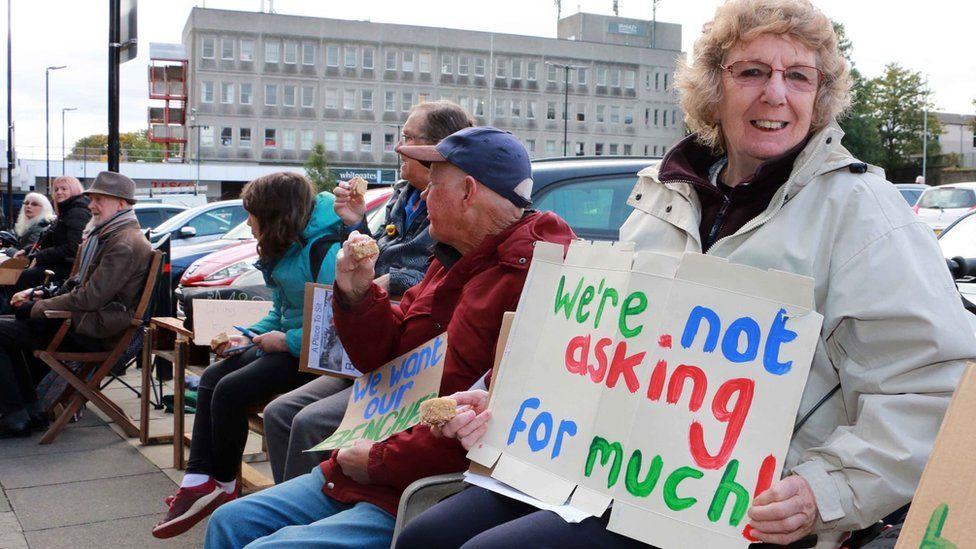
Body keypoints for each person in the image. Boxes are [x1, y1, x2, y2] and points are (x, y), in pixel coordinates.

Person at [396, 1, 976, 548]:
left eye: (800, 76)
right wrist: (499, 403)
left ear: (820, 95)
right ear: (713, 86)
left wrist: (826, 491)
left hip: (734, 507)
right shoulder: (663, 196)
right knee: (426, 536)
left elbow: (932, 387)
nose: (776, 93)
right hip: (610, 464)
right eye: (751, 71)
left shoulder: (862, 212)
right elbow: (600, 346)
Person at [204, 127, 576, 549]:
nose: (422, 200)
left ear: (469, 192)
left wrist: (376, 461)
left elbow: (493, 419)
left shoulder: (541, 277)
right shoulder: (454, 260)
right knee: (230, 522)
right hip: (375, 467)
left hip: (425, 490)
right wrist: (358, 294)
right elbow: (383, 358)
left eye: (433, 185)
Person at [263, 100, 475, 484]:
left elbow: (439, 276)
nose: (398, 147)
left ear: (436, 149)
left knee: (308, 421)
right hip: (373, 343)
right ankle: (292, 508)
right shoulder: (404, 196)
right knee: (280, 412)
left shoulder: (457, 211)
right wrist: (356, 223)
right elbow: (375, 256)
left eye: (408, 138)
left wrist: (389, 281)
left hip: (410, 360)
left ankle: (312, 517)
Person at [152, 172, 345, 539]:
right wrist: (249, 336)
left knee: (230, 390)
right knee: (210, 378)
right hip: (288, 343)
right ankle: (199, 479)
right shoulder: (285, 247)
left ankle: (224, 484)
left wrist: (284, 341)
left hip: (313, 354)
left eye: (252, 213)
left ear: (274, 214)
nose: (248, 222)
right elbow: (280, 310)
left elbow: (333, 326)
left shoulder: (324, 251)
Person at [0, 172, 150, 438]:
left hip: (91, 330)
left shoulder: (122, 242)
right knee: (8, 327)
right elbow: (78, 287)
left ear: (122, 204)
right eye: (91, 199)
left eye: (99, 200)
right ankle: (28, 412)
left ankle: (16, 416)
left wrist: (37, 307)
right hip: (86, 322)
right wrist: (38, 295)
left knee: (6, 329)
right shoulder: (110, 234)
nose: (91, 205)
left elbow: (89, 298)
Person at [15, 176, 91, 291]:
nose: (59, 192)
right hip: (60, 263)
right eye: (56, 189)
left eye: (64, 189)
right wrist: (26, 250)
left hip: (67, 267)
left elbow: (74, 247)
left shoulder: (77, 212)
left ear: (74, 190)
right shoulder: (67, 211)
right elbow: (51, 239)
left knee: (20, 278)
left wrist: (40, 256)